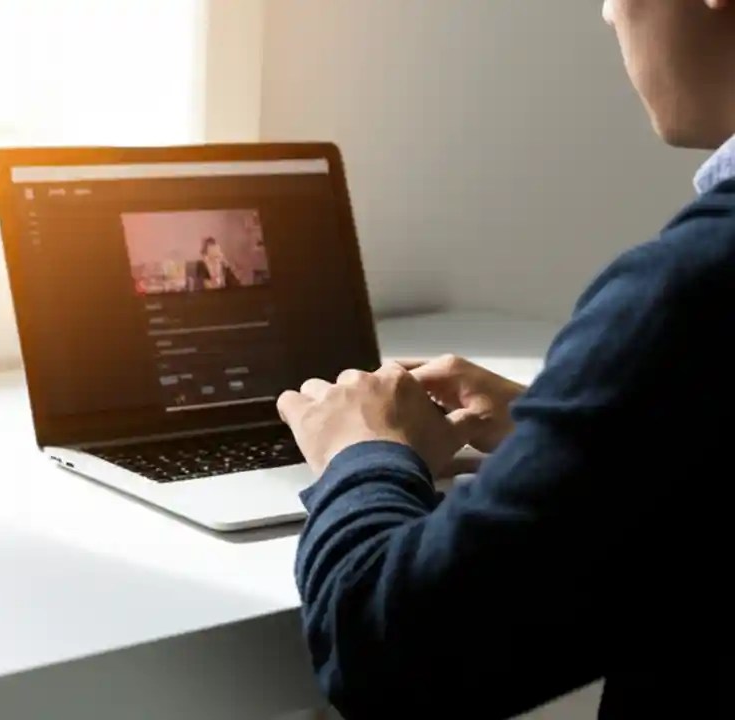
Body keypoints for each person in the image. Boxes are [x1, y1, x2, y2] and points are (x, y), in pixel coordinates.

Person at [276, 2, 732, 717]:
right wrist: (580, 443)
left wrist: (360, 455)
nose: (608, 14)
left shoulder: (693, 289)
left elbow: (383, 654)